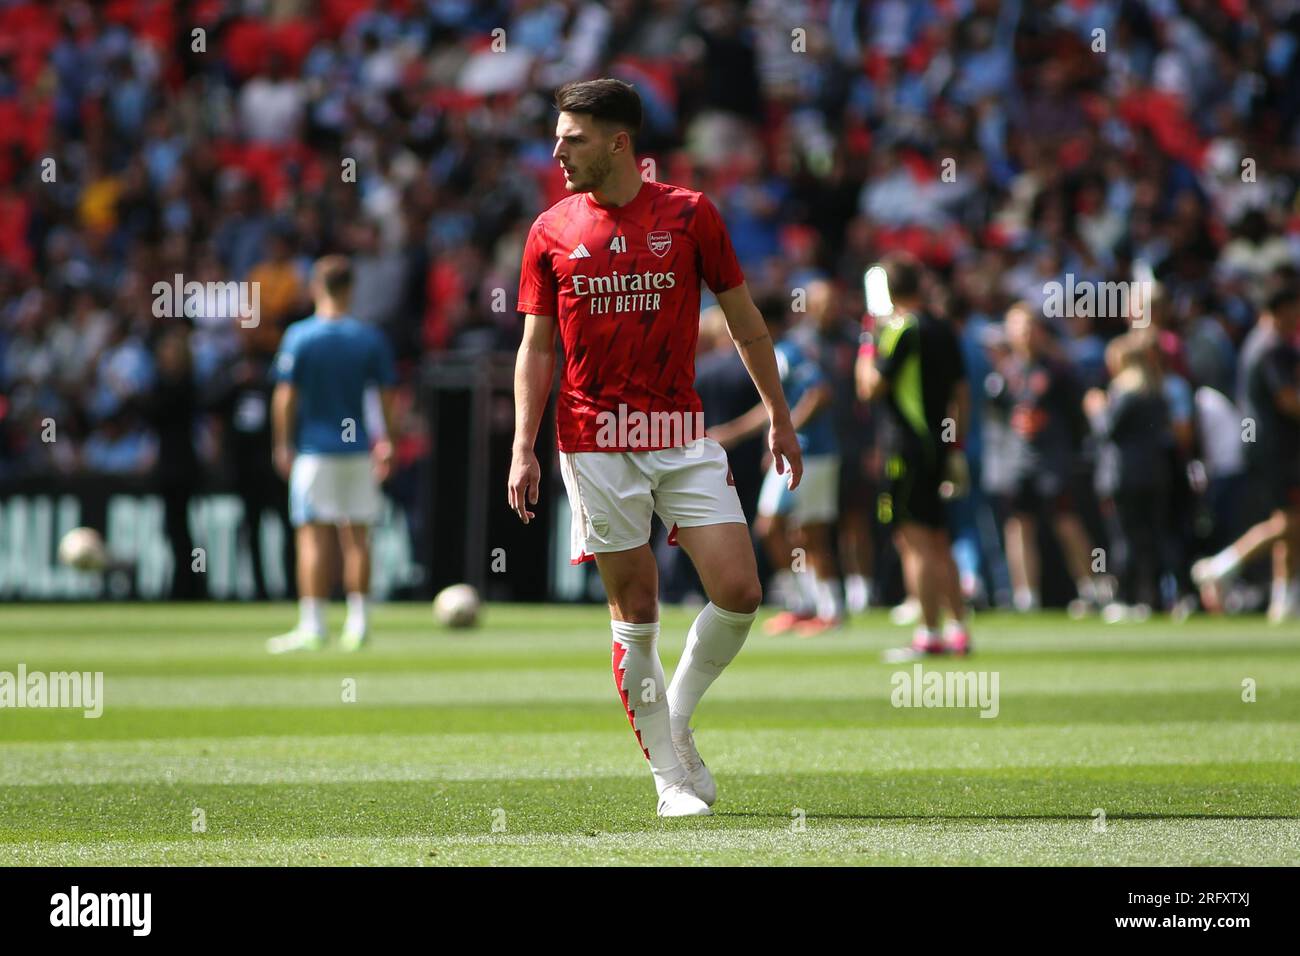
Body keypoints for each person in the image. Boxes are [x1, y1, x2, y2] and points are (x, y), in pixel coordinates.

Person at [507, 79, 802, 817]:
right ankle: (670, 779)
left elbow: (746, 322)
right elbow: (535, 347)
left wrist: (779, 414)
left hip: (678, 432)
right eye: (557, 137)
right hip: (594, 441)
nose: (558, 152)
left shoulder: (691, 214)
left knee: (740, 591)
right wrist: (523, 445)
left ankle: (674, 717)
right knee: (636, 607)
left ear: (619, 143)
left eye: (573, 139)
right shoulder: (549, 230)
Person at [267, 255, 397, 652]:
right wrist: (387, 440)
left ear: (315, 287)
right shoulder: (368, 337)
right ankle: (358, 624)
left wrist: (282, 444)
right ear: (350, 288)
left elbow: (285, 396)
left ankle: (313, 625)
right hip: (357, 451)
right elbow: (386, 396)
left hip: (315, 451)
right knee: (357, 537)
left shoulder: (300, 336)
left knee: (313, 538)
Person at [856, 254, 971, 657]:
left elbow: (869, 388)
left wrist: (867, 341)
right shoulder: (943, 325)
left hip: (905, 448)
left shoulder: (900, 329)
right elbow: (961, 393)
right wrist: (956, 446)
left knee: (914, 540)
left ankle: (929, 633)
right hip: (937, 447)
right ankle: (958, 628)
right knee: (938, 538)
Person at [711, 296, 842, 636]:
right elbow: (772, 408)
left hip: (813, 453)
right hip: (800, 453)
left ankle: (829, 610)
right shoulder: (779, 352)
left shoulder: (788, 351)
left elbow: (820, 393)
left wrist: (786, 432)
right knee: (776, 529)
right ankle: (803, 605)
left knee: (808, 532)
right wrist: (736, 433)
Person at [1193, 282, 1300, 621]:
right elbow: (1288, 400)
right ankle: (1221, 567)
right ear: (1281, 310)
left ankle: (1284, 600)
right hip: (1276, 451)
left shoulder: (1263, 343)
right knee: (1290, 522)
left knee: (1289, 524)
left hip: (1269, 448)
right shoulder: (1271, 347)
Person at [992, 302, 1101, 616]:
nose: (1024, 334)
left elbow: (1076, 416)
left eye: (1029, 327)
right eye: (1017, 327)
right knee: (1019, 526)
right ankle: (1025, 595)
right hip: (1018, 461)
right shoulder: (1004, 374)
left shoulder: (1057, 370)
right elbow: (998, 419)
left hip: (1053, 460)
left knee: (1066, 522)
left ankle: (1091, 587)